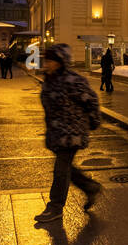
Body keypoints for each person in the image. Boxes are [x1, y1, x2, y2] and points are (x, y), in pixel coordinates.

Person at [35, 44, 103, 223]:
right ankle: (90, 187)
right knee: (65, 169)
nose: (47, 63)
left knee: (60, 169)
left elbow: (92, 101)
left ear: (60, 62)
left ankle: (55, 206)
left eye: (50, 60)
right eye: (46, 60)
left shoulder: (73, 80)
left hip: (72, 132)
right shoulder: (50, 80)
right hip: (57, 132)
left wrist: (94, 121)